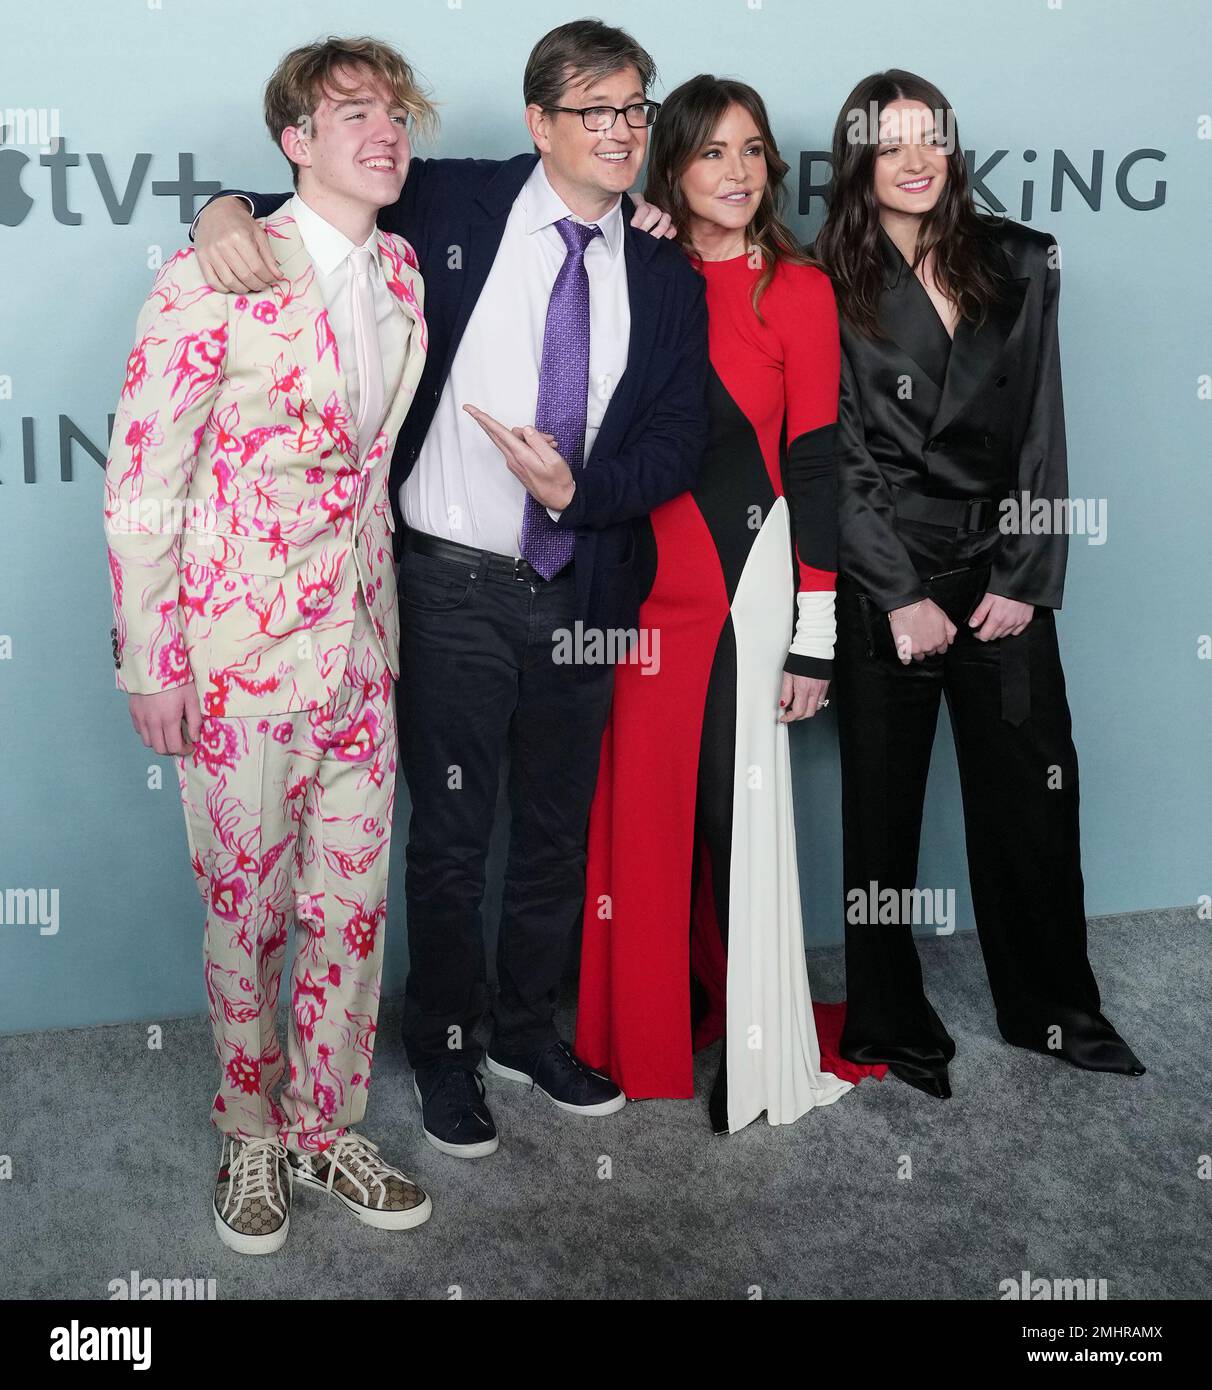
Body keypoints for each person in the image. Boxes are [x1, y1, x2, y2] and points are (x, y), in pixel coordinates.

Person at [192, 19, 709, 1157]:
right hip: (447, 586)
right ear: (540, 124)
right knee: (451, 837)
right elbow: (317, 189)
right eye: (597, 111)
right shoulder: (452, 203)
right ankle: (448, 1046)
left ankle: (530, 1031)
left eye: (637, 111)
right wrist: (218, 212)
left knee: (555, 835)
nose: (624, 132)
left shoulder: (666, 270)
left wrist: (579, 488)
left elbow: (678, 441)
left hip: (582, 586)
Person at [104, 37, 436, 1253]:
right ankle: (249, 1135)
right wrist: (152, 659)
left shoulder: (401, 269)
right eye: (354, 112)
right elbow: (144, 480)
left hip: (363, 643)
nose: (385, 130)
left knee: (351, 906)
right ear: (296, 141)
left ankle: (321, 1124)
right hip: (237, 648)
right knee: (247, 908)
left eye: (396, 112)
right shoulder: (216, 275)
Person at [812, 70, 1145, 1099]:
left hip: (1000, 563)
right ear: (859, 158)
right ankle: (890, 1014)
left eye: (934, 140)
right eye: (892, 142)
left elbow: (1043, 424)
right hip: (890, 575)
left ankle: (1054, 1006)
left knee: (1036, 796)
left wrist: (1025, 573)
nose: (916, 159)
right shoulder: (822, 277)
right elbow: (842, 452)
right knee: (882, 808)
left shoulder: (1020, 259)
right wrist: (898, 591)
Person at [576, 76, 885, 1134]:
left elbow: (813, 469)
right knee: (641, 812)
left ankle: (752, 1039)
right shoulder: (633, 266)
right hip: (632, 584)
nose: (740, 172)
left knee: (735, 811)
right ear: (674, 167)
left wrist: (814, 636)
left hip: (747, 587)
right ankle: (653, 1022)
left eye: (753, 150)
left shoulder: (795, 290)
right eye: (713, 152)